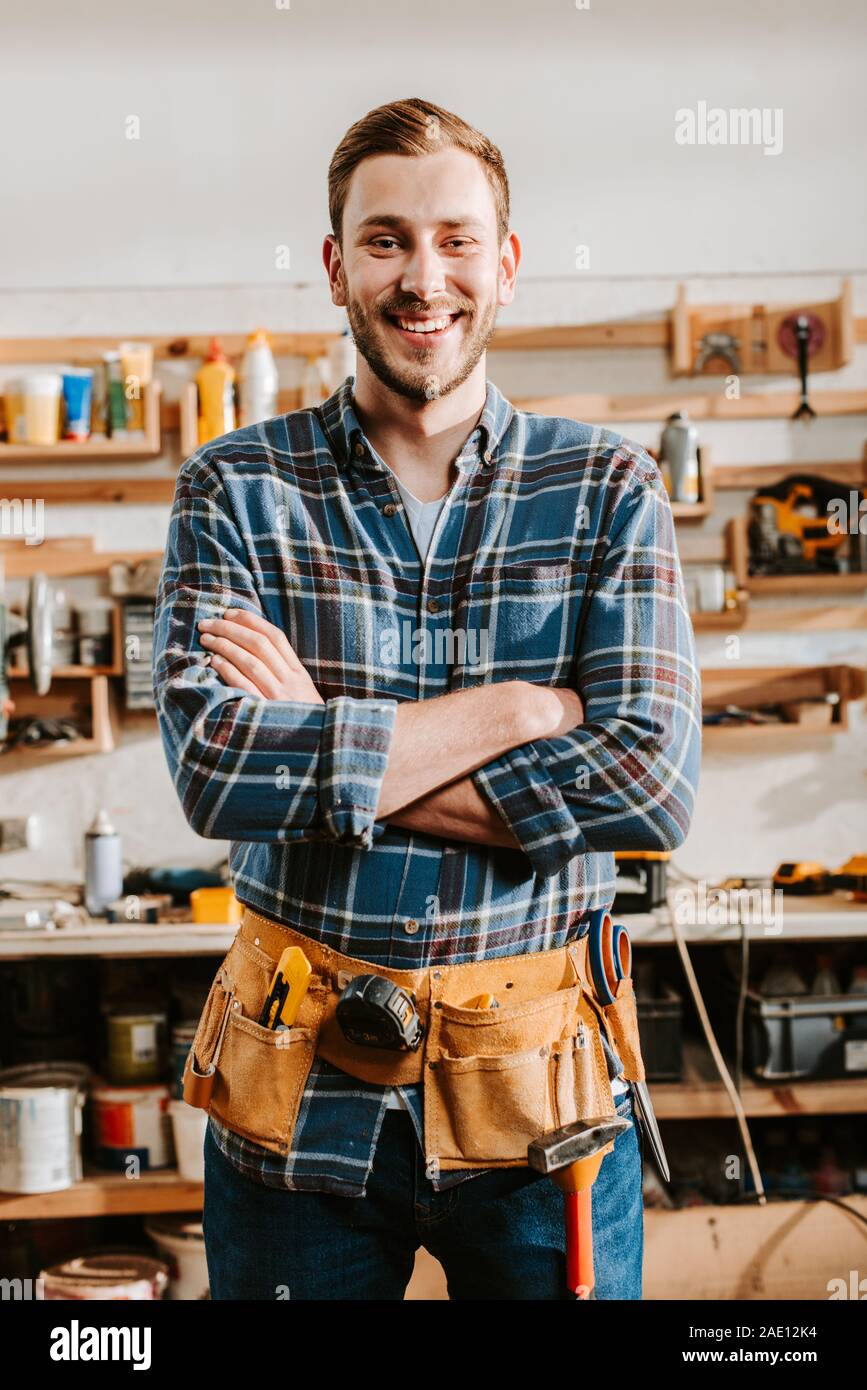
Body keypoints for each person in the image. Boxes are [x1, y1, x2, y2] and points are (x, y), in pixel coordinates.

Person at [153, 96, 701, 1300]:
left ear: (504, 265)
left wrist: (328, 738)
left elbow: (653, 791)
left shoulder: (607, 489)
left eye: (456, 239)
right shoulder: (236, 489)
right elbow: (218, 772)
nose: (423, 276)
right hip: (297, 1094)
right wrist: (521, 708)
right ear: (338, 265)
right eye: (388, 239)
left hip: (541, 1094)